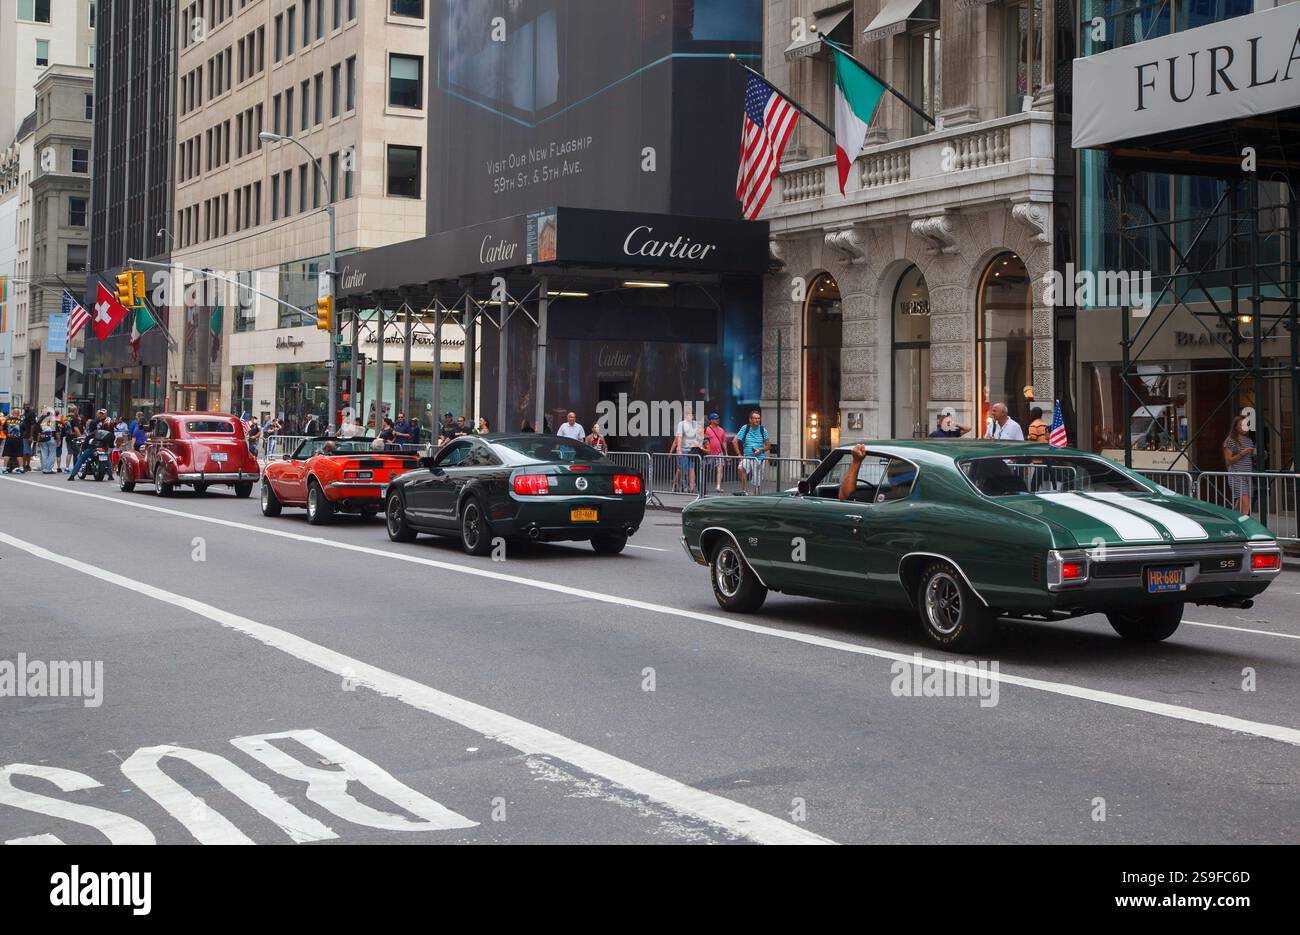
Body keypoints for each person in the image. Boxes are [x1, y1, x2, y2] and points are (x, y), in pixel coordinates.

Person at [1224, 414, 1256, 515]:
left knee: (1241, 503)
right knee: (1246, 503)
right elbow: (1228, 461)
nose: (1245, 427)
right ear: (1236, 427)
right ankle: (1245, 528)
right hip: (1236, 475)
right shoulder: (1230, 441)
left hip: (1248, 475)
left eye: (1246, 425)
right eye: (1242, 425)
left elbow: (1250, 459)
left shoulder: (1249, 441)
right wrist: (1242, 453)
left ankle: (1233, 523)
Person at [733, 410, 770, 495]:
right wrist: (739, 454)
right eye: (755, 418)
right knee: (740, 468)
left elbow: (768, 446)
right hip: (747, 457)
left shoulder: (763, 430)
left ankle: (756, 497)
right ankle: (744, 491)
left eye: (759, 418)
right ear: (750, 420)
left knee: (757, 483)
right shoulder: (745, 428)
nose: (757, 420)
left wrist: (760, 450)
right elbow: (734, 441)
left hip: (759, 459)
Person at [670, 406, 703, 494]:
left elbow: (699, 436)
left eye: (692, 414)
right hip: (683, 449)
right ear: (685, 415)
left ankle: (691, 487)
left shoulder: (696, 424)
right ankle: (675, 483)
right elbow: (679, 438)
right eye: (689, 414)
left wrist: (699, 444)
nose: (691, 415)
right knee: (681, 469)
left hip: (692, 450)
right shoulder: (682, 424)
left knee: (691, 468)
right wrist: (679, 450)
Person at [701, 412, 728, 493]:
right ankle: (703, 486)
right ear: (711, 420)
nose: (718, 420)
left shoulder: (721, 430)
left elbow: (724, 442)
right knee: (706, 469)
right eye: (716, 419)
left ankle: (718, 486)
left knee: (720, 468)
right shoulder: (707, 429)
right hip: (708, 453)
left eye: (718, 418)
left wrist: (726, 452)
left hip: (719, 452)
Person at [38, 408, 59, 473]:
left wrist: (38, 440)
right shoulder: (54, 420)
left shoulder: (42, 420)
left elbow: (39, 431)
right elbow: (57, 432)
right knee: (52, 454)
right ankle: (48, 469)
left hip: (43, 438)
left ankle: (44, 468)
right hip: (51, 438)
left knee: (44, 454)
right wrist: (59, 440)